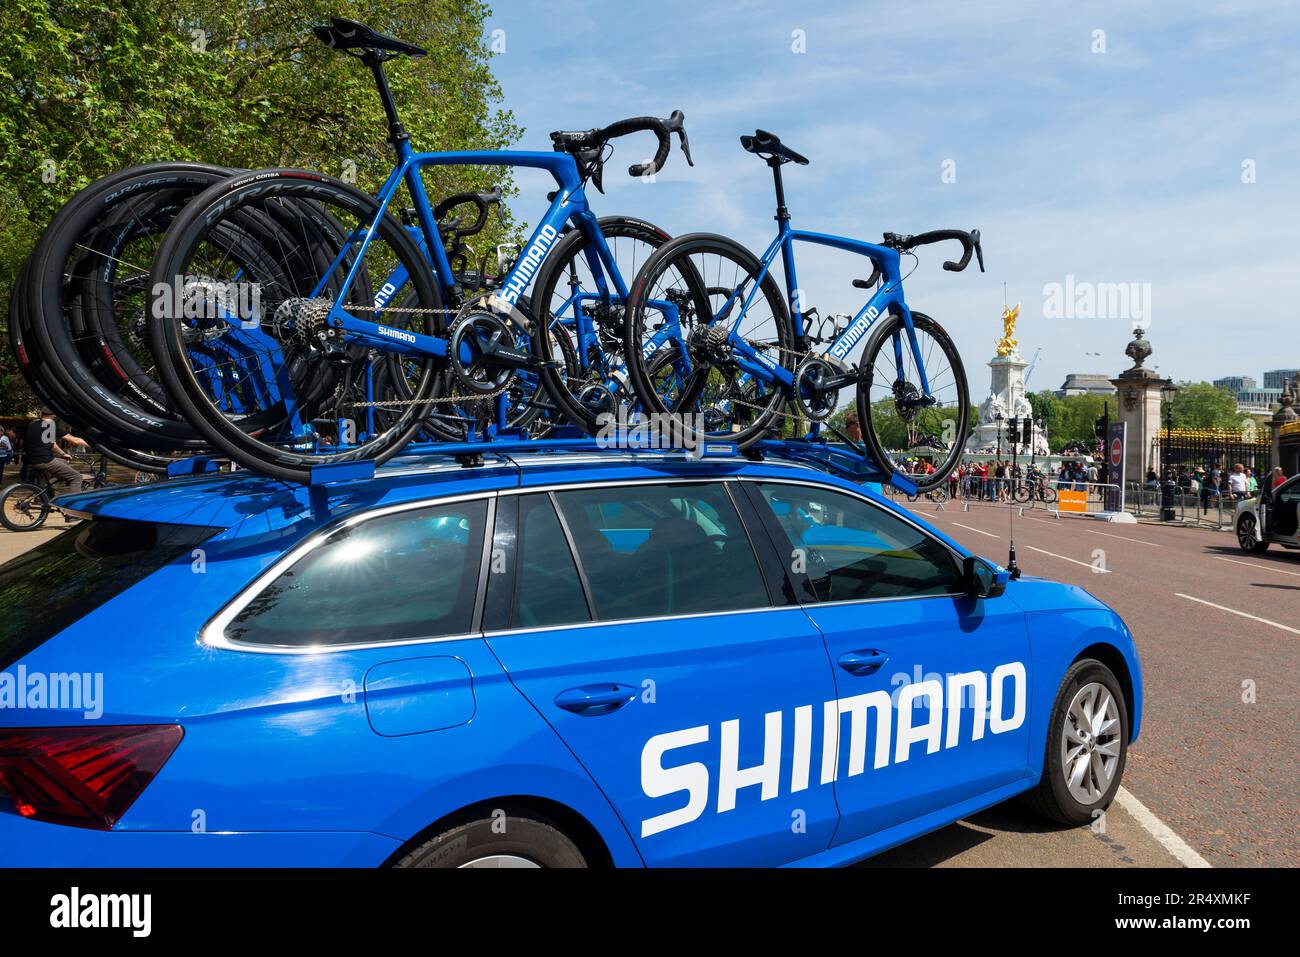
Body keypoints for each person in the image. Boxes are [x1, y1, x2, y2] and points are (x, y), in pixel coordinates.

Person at [24, 410, 90, 495]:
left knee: (64, 462)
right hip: (44, 460)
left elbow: (53, 444)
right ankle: (74, 503)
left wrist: (63, 454)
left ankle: (45, 495)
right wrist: (95, 446)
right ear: (54, 416)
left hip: (30, 460)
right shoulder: (50, 425)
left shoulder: (33, 425)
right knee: (76, 477)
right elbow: (76, 441)